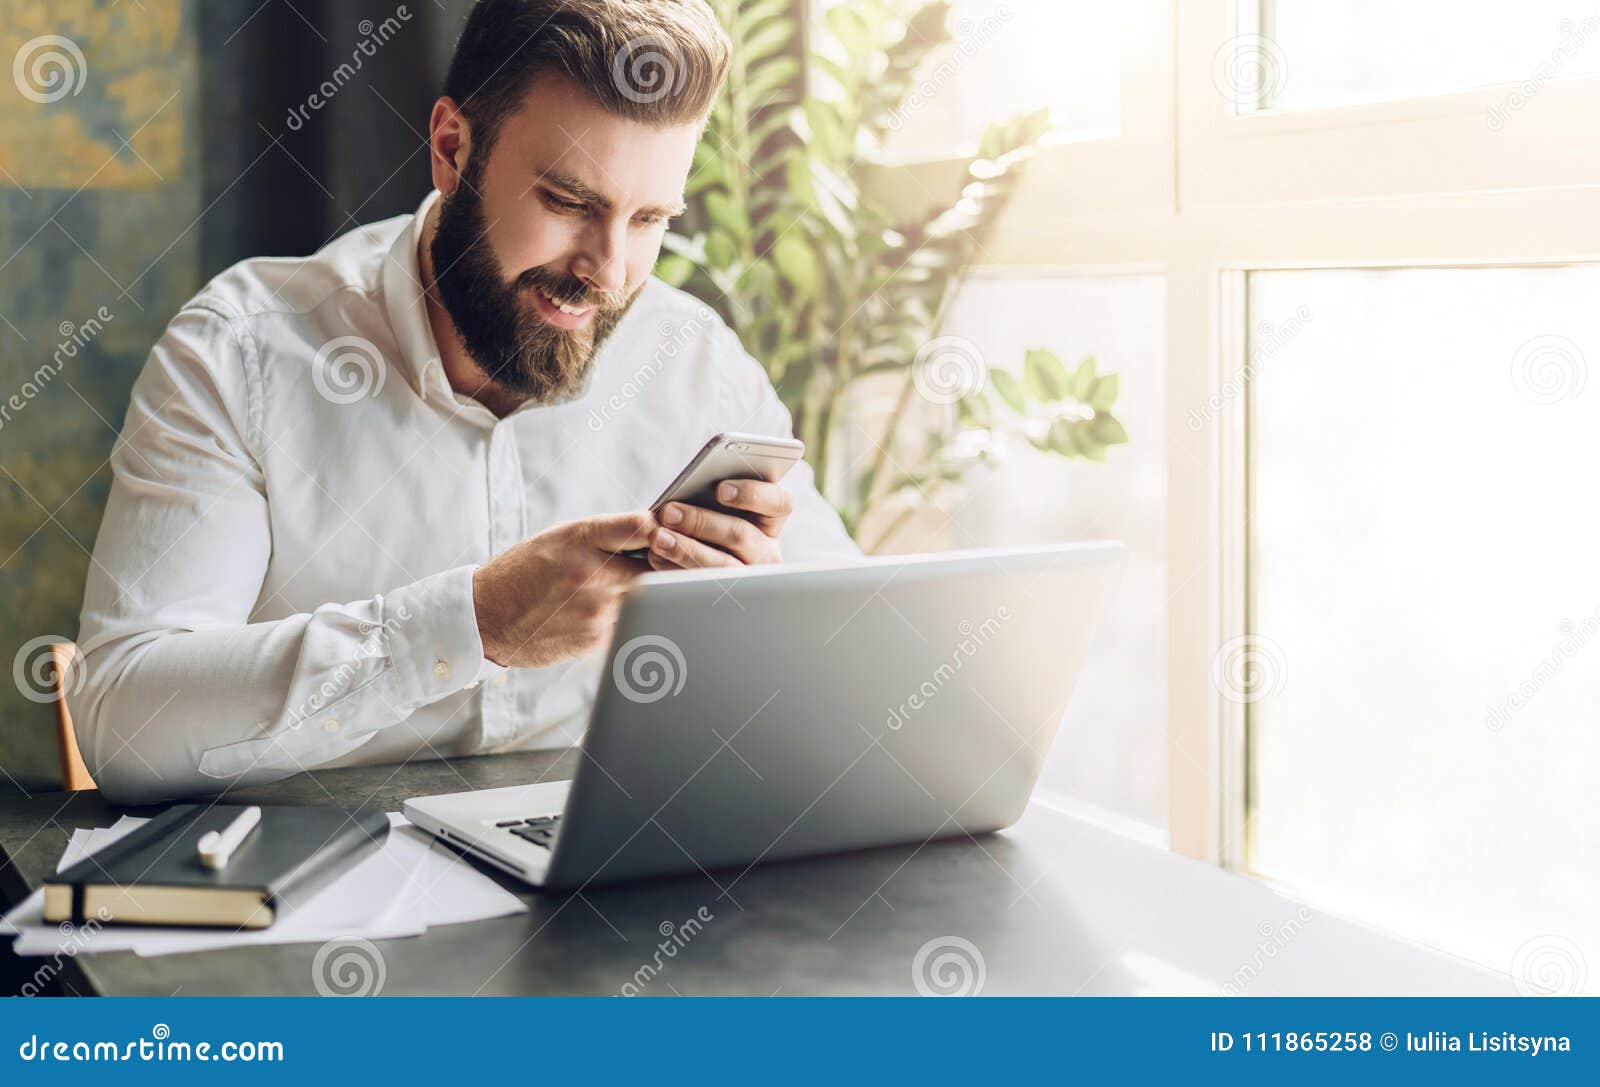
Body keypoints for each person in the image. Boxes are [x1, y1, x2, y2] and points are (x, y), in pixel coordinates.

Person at [74, 0, 855, 804]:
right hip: (309, 893)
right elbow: (127, 727)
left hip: (606, 889)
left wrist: (763, 620)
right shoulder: (242, 354)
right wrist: (469, 626)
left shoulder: (695, 361)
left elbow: (860, 666)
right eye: (568, 203)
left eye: (650, 218)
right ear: (452, 149)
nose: (609, 270)